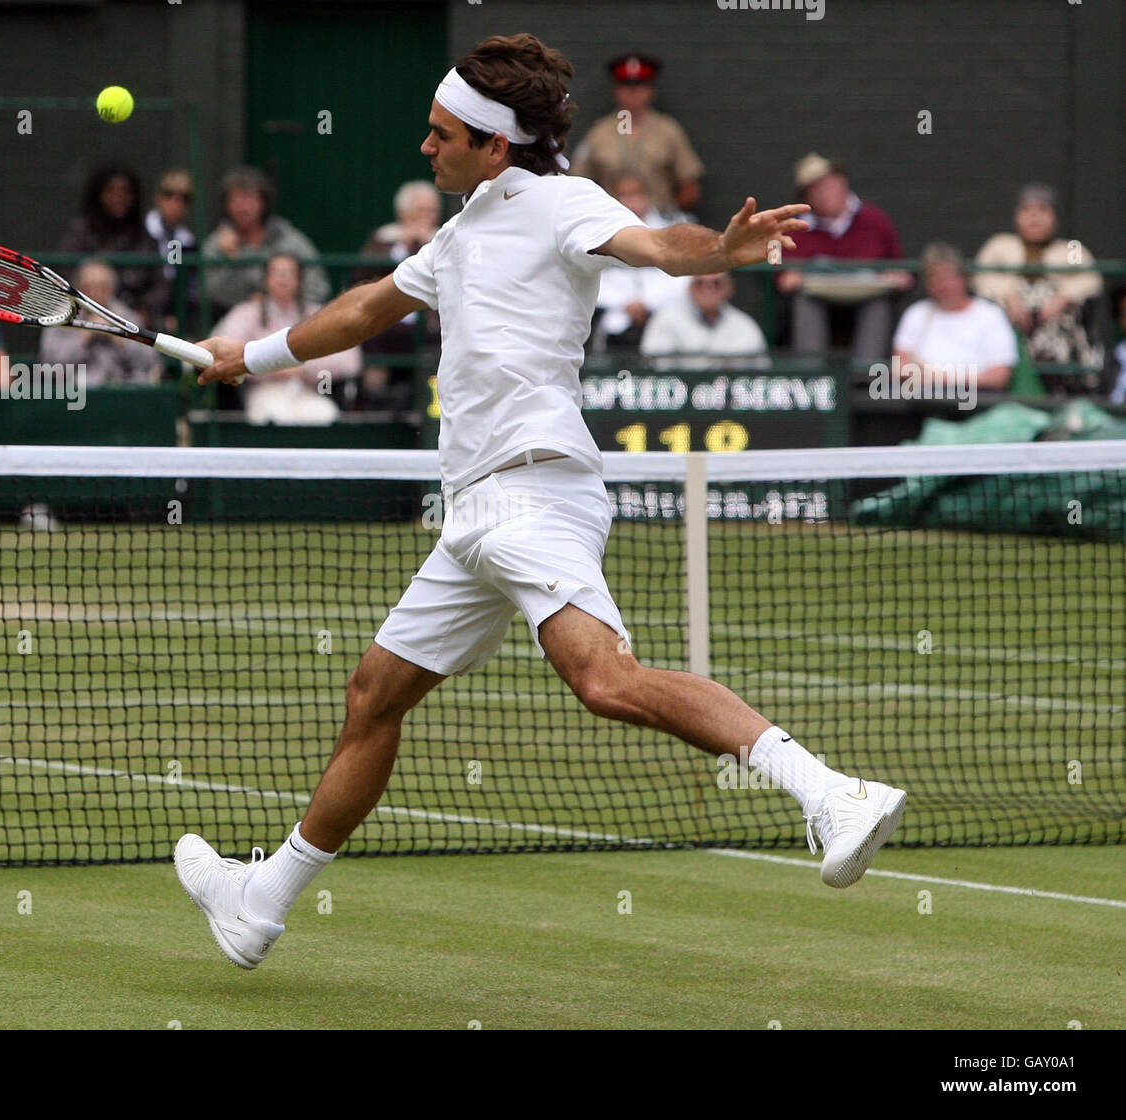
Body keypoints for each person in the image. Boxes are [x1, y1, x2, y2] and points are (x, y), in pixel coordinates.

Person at [177, 33, 906, 970]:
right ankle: (260, 901)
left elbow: (650, 245)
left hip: (533, 490)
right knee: (373, 694)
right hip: (473, 517)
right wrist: (255, 354)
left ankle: (828, 792)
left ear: (492, 144)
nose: (423, 146)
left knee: (604, 681)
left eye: (440, 134)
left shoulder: (563, 201)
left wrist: (717, 249)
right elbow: (363, 311)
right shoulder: (462, 229)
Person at [778, 153, 913, 365]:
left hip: (867, 295)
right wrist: (785, 277)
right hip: (816, 296)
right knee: (804, 303)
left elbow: (899, 268)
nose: (824, 194)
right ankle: (812, 377)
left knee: (879, 305)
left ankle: (865, 378)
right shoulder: (791, 227)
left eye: (829, 184)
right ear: (805, 196)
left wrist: (897, 277)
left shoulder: (875, 219)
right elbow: (780, 273)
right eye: (815, 188)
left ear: (843, 183)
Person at [973, 184, 1103, 393]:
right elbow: (981, 276)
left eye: (1043, 210)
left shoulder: (1070, 247)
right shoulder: (1001, 244)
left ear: (1056, 217)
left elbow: (1089, 279)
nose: (1034, 217)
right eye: (1026, 210)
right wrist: (1008, 294)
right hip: (1012, 326)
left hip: (1057, 330)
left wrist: (1063, 297)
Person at [210, 253, 359, 424]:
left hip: (308, 392)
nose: (283, 278)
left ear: (300, 280)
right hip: (263, 391)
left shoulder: (317, 314)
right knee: (274, 415)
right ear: (266, 279)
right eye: (276, 272)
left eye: (289, 272)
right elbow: (223, 352)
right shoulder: (245, 313)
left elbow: (350, 360)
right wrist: (268, 365)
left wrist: (305, 368)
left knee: (325, 414)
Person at [571, 53, 704, 220]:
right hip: (611, 221)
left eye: (640, 85)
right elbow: (578, 180)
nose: (633, 92)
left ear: (651, 90)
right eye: (626, 85)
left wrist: (668, 214)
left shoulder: (668, 130)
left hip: (659, 221)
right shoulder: (599, 133)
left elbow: (690, 187)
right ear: (616, 90)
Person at [353, 180, 442, 411]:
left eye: (431, 211)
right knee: (373, 336)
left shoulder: (444, 238)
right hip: (389, 321)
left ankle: (431, 409)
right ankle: (374, 404)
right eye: (420, 211)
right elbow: (362, 277)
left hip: (430, 324)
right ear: (403, 213)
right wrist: (401, 246)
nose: (426, 217)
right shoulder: (382, 239)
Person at [201, 166, 329, 315]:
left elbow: (319, 287)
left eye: (249, 198)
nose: (242, 207)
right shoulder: (216, 244)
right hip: (236, 324)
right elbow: (209, 292)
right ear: (226, 204)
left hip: (291, 323)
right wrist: (230, 259)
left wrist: (278, 301)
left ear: (264, 202)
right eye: (236, 199)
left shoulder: (289, 240)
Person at [892, 243, 1017, 394]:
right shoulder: (916, 313)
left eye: (947, 277)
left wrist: (940, 378)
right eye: (934, 278)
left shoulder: (990, 314)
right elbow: (899, 367)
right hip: (923, 398)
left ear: (964, 278)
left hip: (977, 398)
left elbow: (999, 378)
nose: (942, 284)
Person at [60, 165, 169, 326]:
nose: (119, 197)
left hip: (131, 319)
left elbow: (161, 286)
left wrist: (144, 309)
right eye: (111, 191)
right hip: (85, 314)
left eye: (125, 192)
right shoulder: (80, 231)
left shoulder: (145, 236)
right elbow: (64, 274)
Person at [592, 171, 686, 350]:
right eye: (624, 195)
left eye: (637, 193)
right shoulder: (598, 231)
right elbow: (592, 277)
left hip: (663, 317)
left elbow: (682, 277)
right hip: (613, 322)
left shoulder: (671, 228)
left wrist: (648, 303)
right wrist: (624, 303)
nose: (632, 201)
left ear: (648, 196)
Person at [39, 259, 162, 385]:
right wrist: (84, 336)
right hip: (77, 391)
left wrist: (119, 338)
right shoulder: (61, 317)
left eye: (102, 287)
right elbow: (50, 364)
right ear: (78, 289)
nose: (95, 292)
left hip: (124, 389)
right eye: (88, 287)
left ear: (111, 289)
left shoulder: (127, 316)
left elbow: (150, 361)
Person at [640, 272, 769, 371]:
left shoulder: (745, 326)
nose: (708, 288)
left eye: (716, 283)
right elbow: (652, 369)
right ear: (689, 287)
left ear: (729, 288)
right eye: (700, 283)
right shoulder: (665, 321)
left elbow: (760, 373)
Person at [145, 168, 198, 329]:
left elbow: (175, 279)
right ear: (158, 197)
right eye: (169, 195)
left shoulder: (185, 240)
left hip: (168, 313)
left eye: (184, 198)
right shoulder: (141, 230)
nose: (176, 203)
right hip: (142, 305)